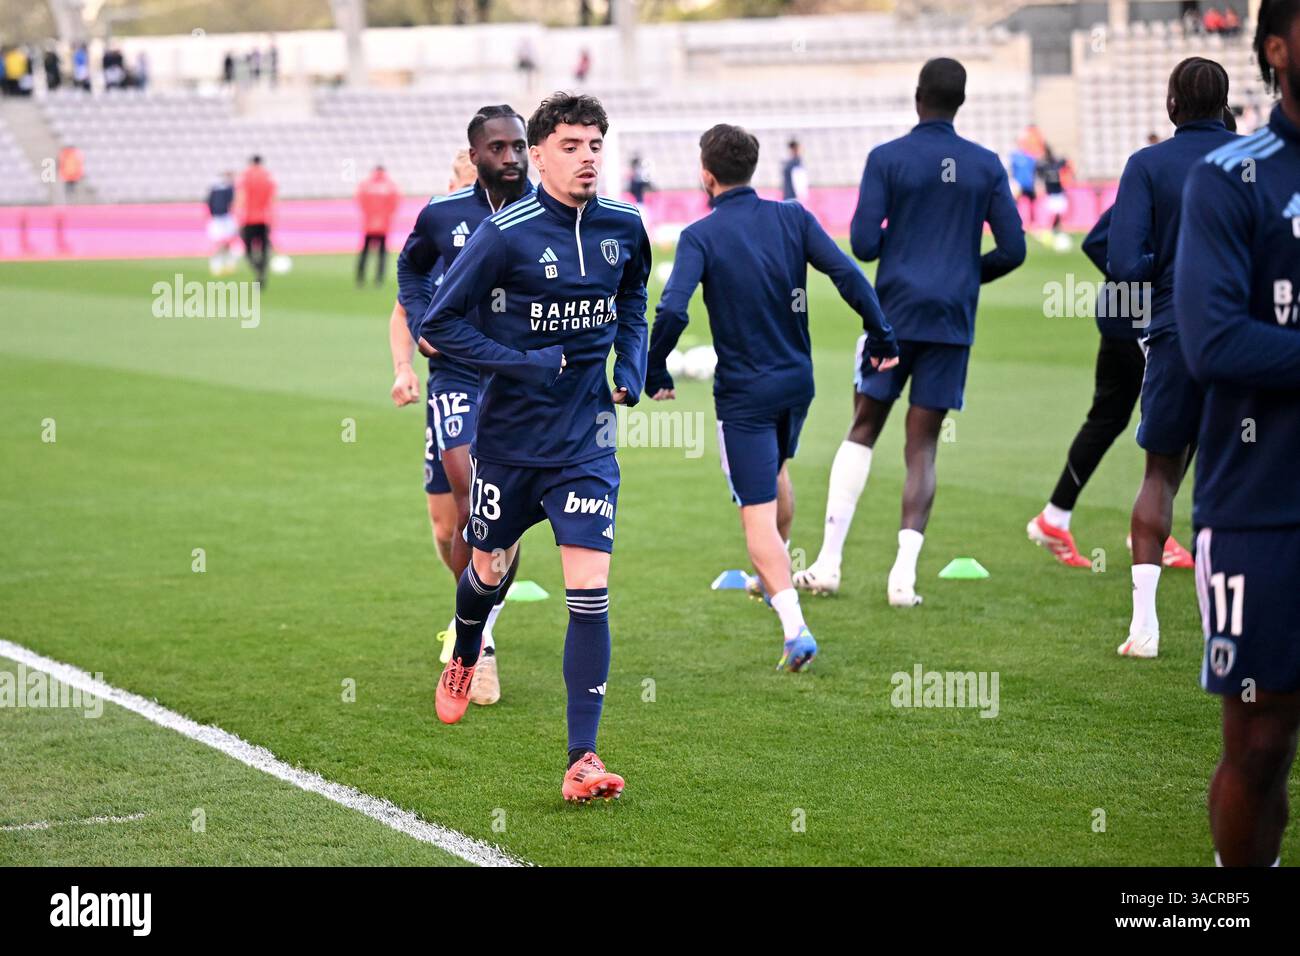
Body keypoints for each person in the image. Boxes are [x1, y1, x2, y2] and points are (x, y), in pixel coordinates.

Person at [416, 93, 651, 803]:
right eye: (572, 146)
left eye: (596, 145)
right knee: (485, 568)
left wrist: (632, 364)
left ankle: (582, 758)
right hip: (510, 444)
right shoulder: (506, 233)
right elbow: (440, 322)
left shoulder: (626, 226)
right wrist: (519, 363)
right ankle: (464, 650)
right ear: (541, 155)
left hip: (586, 443)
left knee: (590, 593)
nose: (587, 158)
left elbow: (636, 297)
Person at [645, 124, 898, 670]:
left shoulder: (700, 235)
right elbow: (848, 274)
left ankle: (794, 626)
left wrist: (654, 366)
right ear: (752, 169)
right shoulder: (793, 217)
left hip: (745, 394)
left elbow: (672, 310)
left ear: (706, 176)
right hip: (796, 384)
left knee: (755, 515)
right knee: (777, 469)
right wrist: (882, 336)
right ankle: (771, 578)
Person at [793, 58, 1026, 604]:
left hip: (892, 316)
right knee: (922, 446)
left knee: (864, 426)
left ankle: (828, 563)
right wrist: (966, 275)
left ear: (918, 96)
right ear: (960, 102)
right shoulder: (985, 164)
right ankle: (903, 578)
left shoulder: (887, 159)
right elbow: (1013, 249)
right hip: (951, 321)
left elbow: (864, 245)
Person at [1173, 0, 1300, 865]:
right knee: (1260, 744)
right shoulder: (1232, 176)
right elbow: (1213, 338)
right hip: (1265, 505)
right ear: (1278, 48)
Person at [393, 107, 534, 706]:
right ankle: (470, 624)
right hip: (453, 376)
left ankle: (478, 641)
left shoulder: (546, 214)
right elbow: (409, 275)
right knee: (453, 518)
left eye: (517, 148)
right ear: (471, 159)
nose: (508, 160)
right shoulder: (444, 217)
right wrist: (415, 342)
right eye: (494, 150)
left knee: (493, 511)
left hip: (515, 379)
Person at [1106, 57, 1237, 659]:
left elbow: (1126, 265)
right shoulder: (1261, 161)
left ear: (1172, 106)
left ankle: (1145, 629)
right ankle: (1233, 628)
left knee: (1162, 471)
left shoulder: (1147, 165)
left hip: (1177, 331)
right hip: (1255, 337)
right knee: (1245, 476)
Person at [355, 164, 400, 286]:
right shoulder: (390, 186)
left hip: (369, 225)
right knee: (381, 254)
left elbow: (361, 202)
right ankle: (379, 279)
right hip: (383, 225)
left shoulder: (366, 185)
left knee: (365, 252)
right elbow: (394, 204)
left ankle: (360, 277)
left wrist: (371, 216)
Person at [235, 155, 276, 285]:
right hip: (264, 218)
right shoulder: (268, 176)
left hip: (249, 218)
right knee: (264, 248)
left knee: (248, 249)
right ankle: (262, 271)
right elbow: (273, 199)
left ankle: (257, 267)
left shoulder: (246, 176)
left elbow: (241, 197)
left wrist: (237, 214)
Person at [206, 172, 238, 276]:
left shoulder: (216, 189)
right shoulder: (222, 190)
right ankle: (217, 264)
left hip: (223, 219)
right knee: (222, 243)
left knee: (227, 243)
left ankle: (227, 264)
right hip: (221, 220)